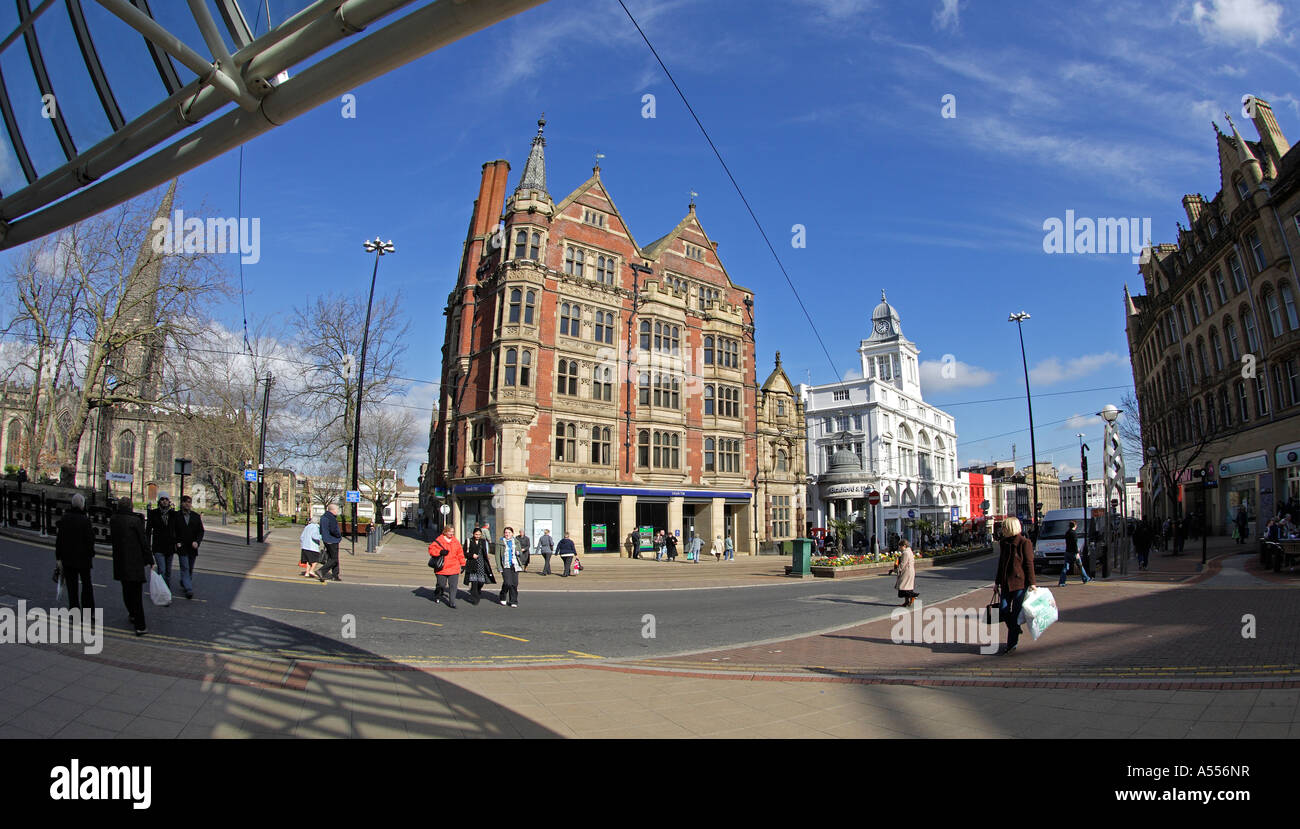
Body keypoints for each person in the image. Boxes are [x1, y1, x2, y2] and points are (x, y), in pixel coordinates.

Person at [994, 516, 1037, 656]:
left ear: (1011, 528)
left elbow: (1029, 564)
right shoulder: (1004, 543)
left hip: (1019, 583)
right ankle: (1015, 628)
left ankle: (1011, 644)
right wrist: (997, 582)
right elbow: (1001, 564)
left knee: (1016, 613)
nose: (1002, 529)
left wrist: (1032, 584)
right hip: (1006, 583)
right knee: (1004, 610)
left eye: (1004, 527)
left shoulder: (1025, 543)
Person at [109, 497, 150, 636]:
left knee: (126, 591)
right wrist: (149, 559)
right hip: (135, 562)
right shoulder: (136, 521)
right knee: (137, 595)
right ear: (131, 507)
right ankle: (140, 625)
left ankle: (132, 614)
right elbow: (143, 541)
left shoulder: (114, 520)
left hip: (121, 561)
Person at [55, 493, 96, 612]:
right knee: (87, 585)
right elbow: (90, 540)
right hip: (84, 559)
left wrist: (58, 557)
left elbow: (60, 540)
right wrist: (91, 553)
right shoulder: (85, 520)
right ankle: (89, 611)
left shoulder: (65, 518)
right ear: (83, 505)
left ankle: (74, 611)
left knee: (72, 587)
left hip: (68, 559)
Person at [168, 495, 204, 599]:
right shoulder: (176, 516)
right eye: (185, 502)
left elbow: (200, 531)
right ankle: (189, 589)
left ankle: (184, 581)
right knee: (185, 567)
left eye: (189, 502)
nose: (187, 504)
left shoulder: (195, 516)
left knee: (190, 568)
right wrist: (176, 542)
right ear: (181, 503)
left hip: (192, 547)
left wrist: (197, 542)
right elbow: (172, 531)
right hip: (182, 546)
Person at [429, 525, 465, 608]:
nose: (451, 534)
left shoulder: (456, 541)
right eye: (450, 532)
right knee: (441, 585)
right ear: (445, 532)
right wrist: (440, 552)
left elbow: (460, 553)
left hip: (454, 567)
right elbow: (431, 550)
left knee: (453, 586)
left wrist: (463, 564)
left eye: (453, 532)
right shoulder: (439, 540)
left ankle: (452, 602)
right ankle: (438, 593)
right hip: (442, 568)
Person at [147, 495, 175, 586]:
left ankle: (167, 591)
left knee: (168, 572)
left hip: (169, 547)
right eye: (162, 499)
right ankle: (162, 590)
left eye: (166, 499)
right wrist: (147, 545)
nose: (164, 501)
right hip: (158, 546)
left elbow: (178, 530)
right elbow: (148, 530)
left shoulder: (173, 514)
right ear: (159, 501)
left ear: (169, 501)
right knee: (162, 570)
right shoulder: (153, 513)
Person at [462, 527, 496, 604]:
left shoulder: (483, 541)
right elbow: (464, 553)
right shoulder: (469, 541)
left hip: (481, 563)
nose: (478, 536)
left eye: (479, 534)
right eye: (476, 534)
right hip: (472, 564)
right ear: (473, 534)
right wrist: (471, 555)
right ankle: (475, 598)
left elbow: (484, 551)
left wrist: (487, 557)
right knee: (474, 582)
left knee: (481, 581)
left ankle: (477, 590)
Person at [1058, 520, 1091, 586]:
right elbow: (1074, 544)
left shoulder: (1067, 533)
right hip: (1073, 553)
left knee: (1065, 567)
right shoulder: (1074, 533)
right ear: (1075, 526)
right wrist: (1077, 553)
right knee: (1080, 566)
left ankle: (1062, 582)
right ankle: (1085, 578)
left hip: (1067, 552)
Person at [496, 526, 523, 606]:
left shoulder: (516, 542)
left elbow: (520, 552)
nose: (507, 534)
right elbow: (497, 556)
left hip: (515, 565)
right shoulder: (500, 542)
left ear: (512, 533)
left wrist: (518, 553)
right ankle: (503, 595)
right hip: (505, 565)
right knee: (507, 583)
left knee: (514, 584)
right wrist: (499, 567)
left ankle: (513, 601)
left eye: (509, 533)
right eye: (506, 533)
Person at [317, 504, 343, 583]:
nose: (337, 512)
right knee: (334, 559)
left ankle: (335, 575)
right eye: (337, 510)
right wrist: (339, 535)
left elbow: (321, 529)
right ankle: (322, 571)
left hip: (326, 539)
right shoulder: (331, 518)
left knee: (332, 558)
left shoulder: (323, 517)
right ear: (333, 510)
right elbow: (333, 530)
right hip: (332, 540)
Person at [891, 538, 917, 607]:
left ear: (904, 546)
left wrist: (896, 570)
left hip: (906, 572)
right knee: (907, 587)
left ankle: (912, 597)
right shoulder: (910, 551)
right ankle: (906, 602)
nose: (899, 548)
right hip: (910, 571)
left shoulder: (905, 553)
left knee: (904, 587)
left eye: (900, 546)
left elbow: (903, 564)